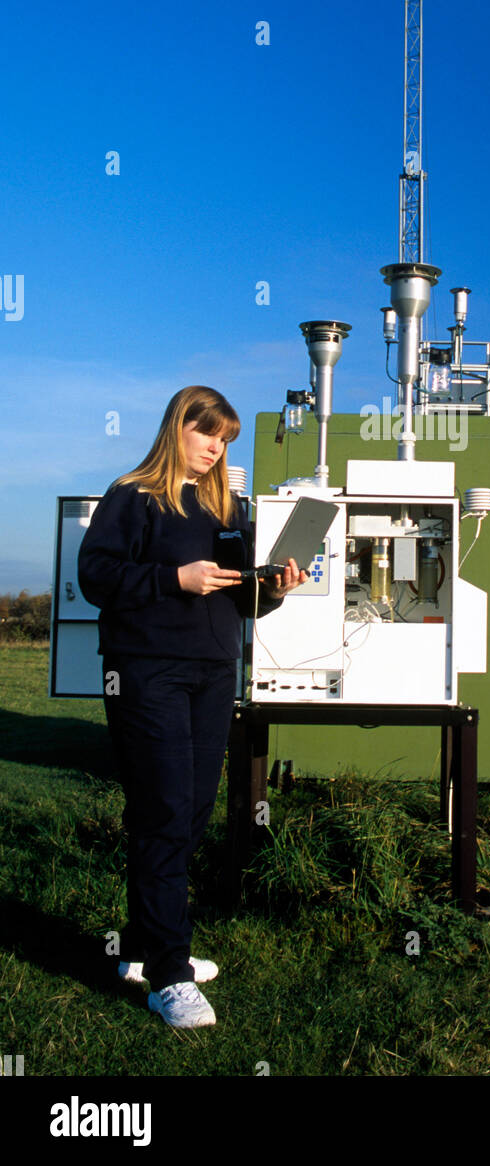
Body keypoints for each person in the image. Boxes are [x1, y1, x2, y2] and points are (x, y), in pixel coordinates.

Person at [77, 385, 306, 1029]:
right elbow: (95, 575)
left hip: (212, 675)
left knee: (191, 810)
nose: (216, 448)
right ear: (178, 428)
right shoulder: (134, 496)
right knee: (165, 808)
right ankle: (169, 973)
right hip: (146, 673)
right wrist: (171, 579)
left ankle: (140, 943)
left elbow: (243, 602)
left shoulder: (226, 509)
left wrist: (277, 589)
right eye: (208, 434)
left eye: (226, 439)